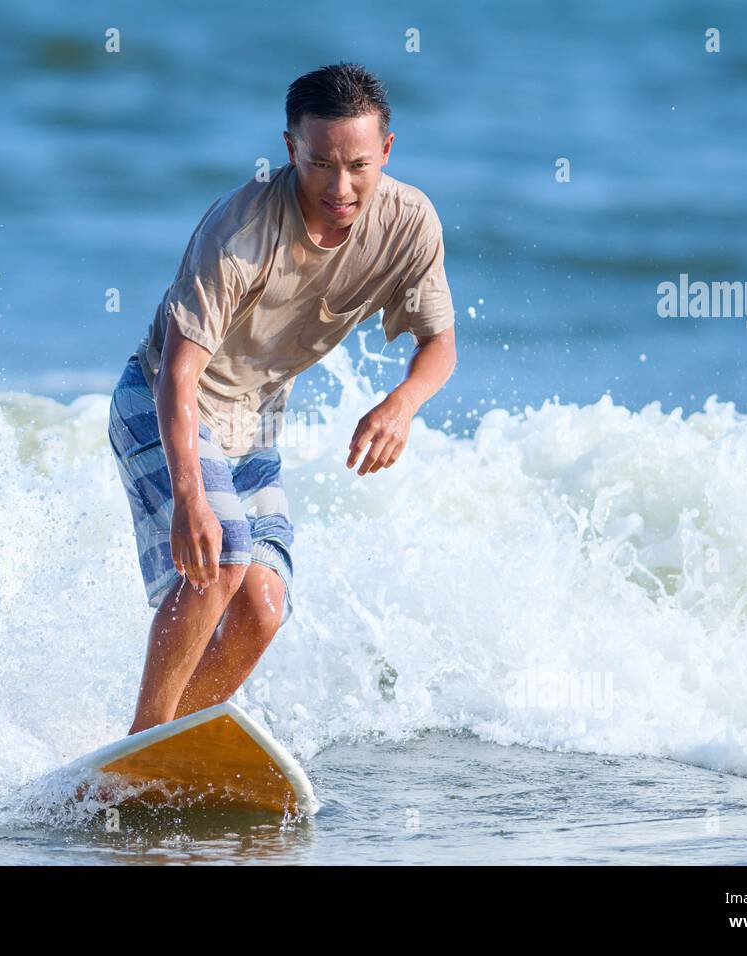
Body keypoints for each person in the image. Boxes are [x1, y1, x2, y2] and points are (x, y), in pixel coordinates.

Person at [110, 62, 457, 734]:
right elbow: (178, 374)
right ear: (291, 146)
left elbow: (440, 346)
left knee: (264, 603)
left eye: (358, 164)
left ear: (386, 149)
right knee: (223, 560)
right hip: (163, 403)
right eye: (320, 162)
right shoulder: (241, 230)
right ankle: (141, 743)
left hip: (255, 425)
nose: (340, 185)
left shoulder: (409, 223)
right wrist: (189, 499)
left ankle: (174, 742)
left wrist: (401, 403)